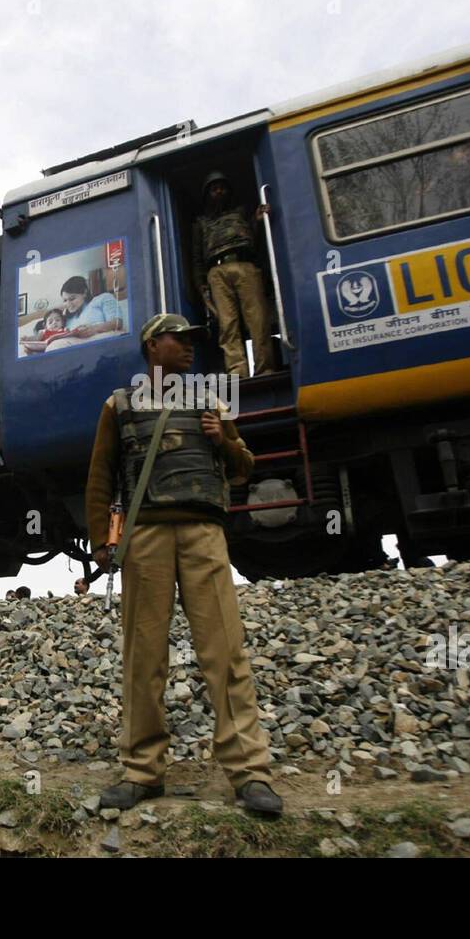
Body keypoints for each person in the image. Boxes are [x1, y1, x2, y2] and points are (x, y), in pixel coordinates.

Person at [85, 313, 283, 816]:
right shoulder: (120, 405)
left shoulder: (210, 401)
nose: (191, 347)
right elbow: (100, 476)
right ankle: (142, 772)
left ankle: (249, 774)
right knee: (143, 656)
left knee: (224, 650)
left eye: (193, 340)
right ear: (153, 346)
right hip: (146, 535)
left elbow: (245, 467)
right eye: (180, 339)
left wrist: (225, 439)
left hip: (204, 534)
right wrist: (101, 543)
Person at [191, 171, 277, 378]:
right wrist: (201, 285)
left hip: (245, 265)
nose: (218, 191)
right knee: (228, 324)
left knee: (257, 319)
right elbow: (197, 257)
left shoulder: (241, 213)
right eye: (214, 189)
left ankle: (264, 367)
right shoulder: (201, 223)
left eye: (222, 187)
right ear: (207, 195)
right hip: (216, 272)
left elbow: (255, 242)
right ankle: (237, 369)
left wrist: (257, 222)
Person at [59, 276, 122, 341]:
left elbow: (117, 323)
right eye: (65, 300)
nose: (68, 304)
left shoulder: (102, 298)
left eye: (72, 299)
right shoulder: (68, 318)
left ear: (84, 292)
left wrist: (94, 329)